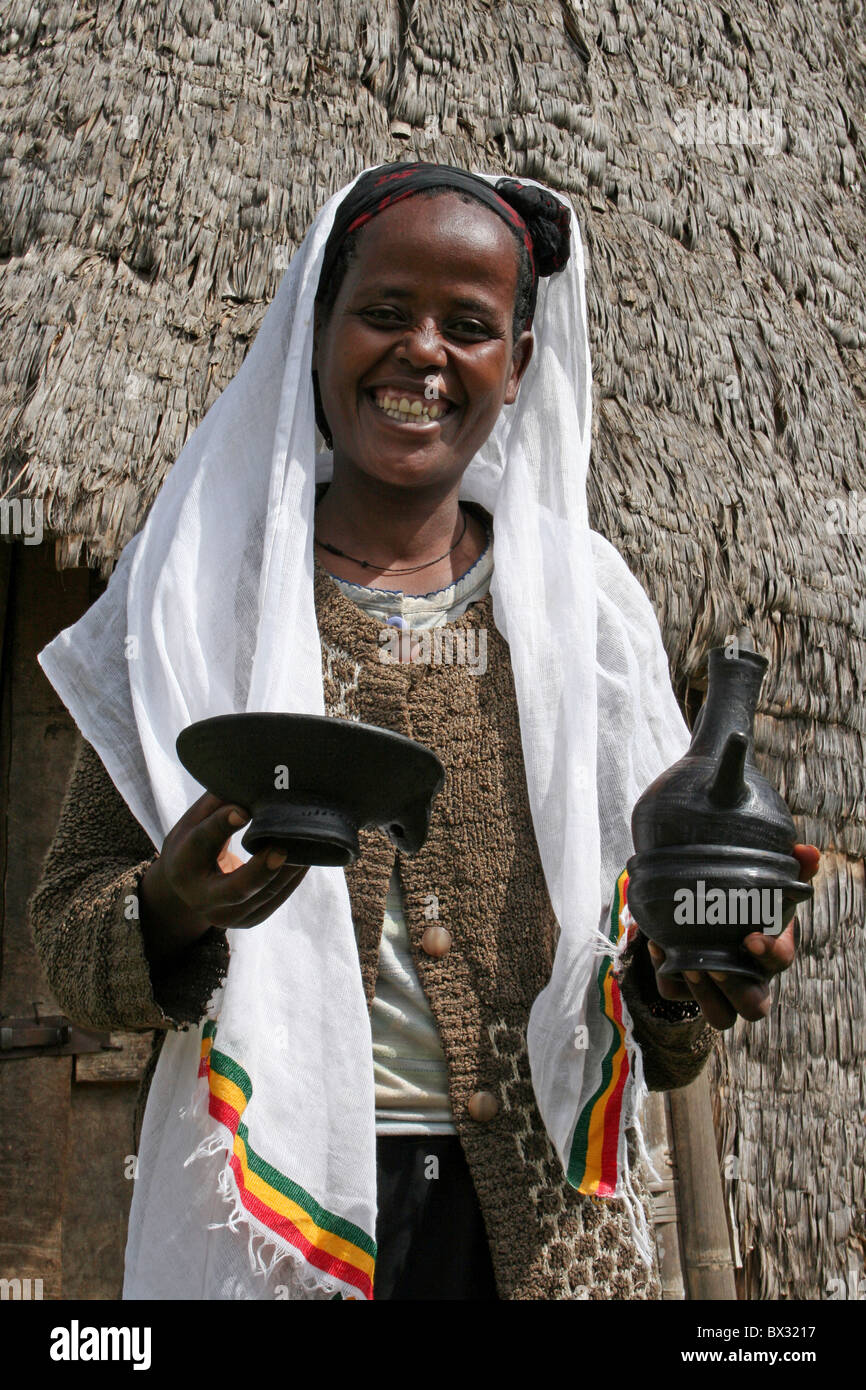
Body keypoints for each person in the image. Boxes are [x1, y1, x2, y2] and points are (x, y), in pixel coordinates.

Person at [29, 161, 817, 1301]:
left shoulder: (585, 619)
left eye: (469, 326)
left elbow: (657, 1020)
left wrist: (693, 969)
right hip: (268, 1234)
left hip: (544, 1232)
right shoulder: (201, 604)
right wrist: (172, 905)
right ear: (316, 332)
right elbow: (71, 942)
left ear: (518, 366)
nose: (423, 353)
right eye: (384, 314)